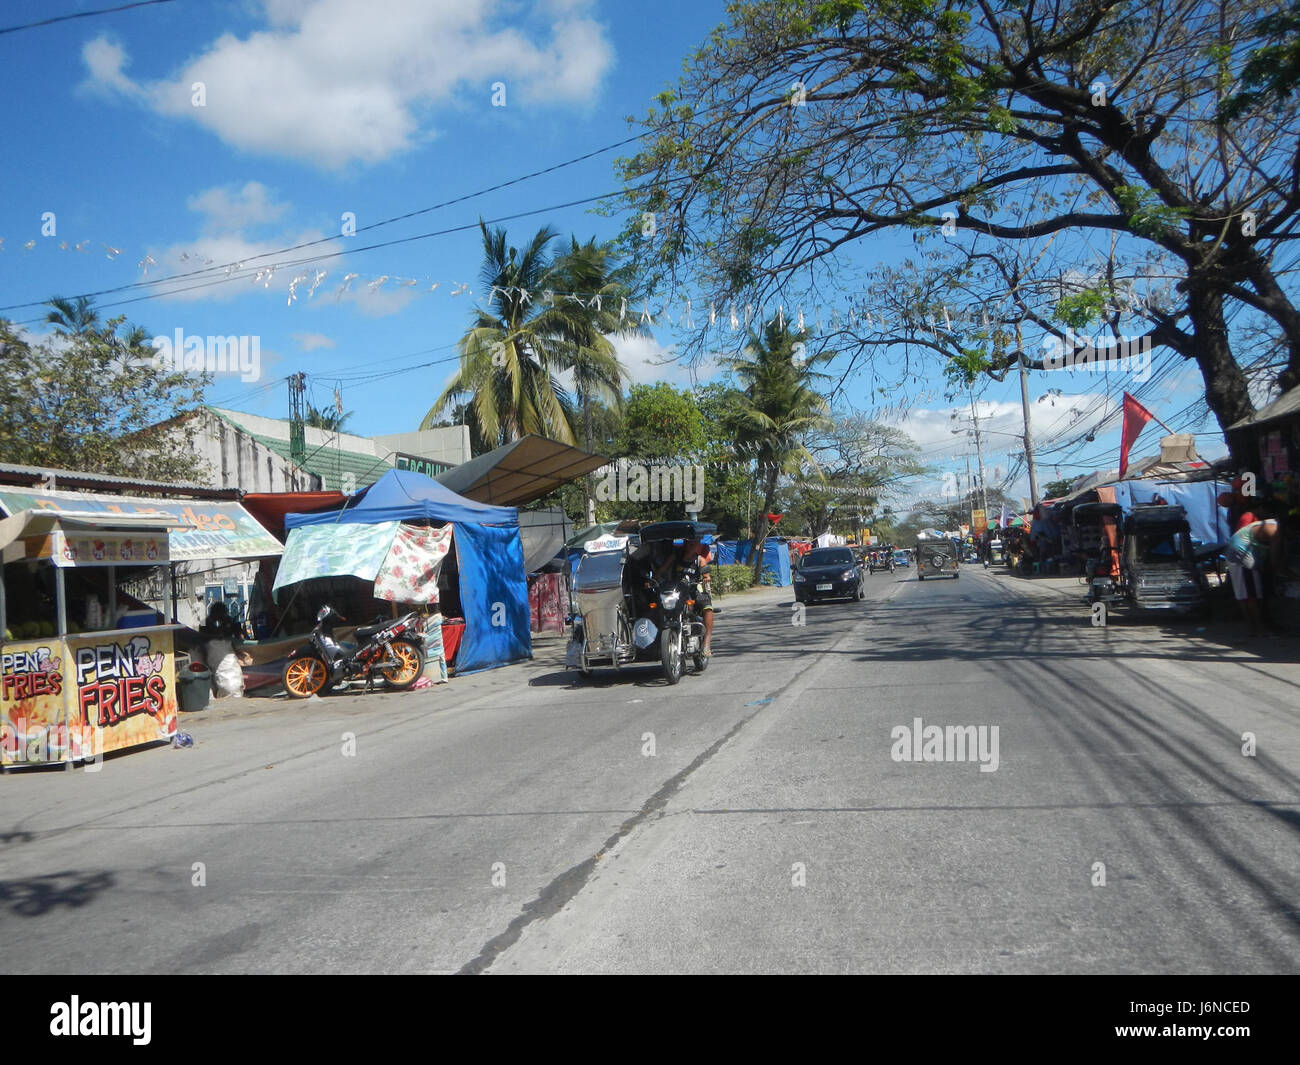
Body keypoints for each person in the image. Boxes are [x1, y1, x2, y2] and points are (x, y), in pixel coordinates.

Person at [654, 537, 714, 656]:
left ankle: (706, 643)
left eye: (694, 542)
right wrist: (653, 580)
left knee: (707, 607)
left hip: (694, 589)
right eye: (689, 542)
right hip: (676, 590)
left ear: (698, 545)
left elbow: (706, 575)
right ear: (685, 544)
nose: (691, 544)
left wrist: (706, 578)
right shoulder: (675, 557)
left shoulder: (699, 560)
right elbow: (661, 571)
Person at [1226, 517, 1283, 637]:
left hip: (1237, 553)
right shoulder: (1274, 531)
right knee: (1251, 595)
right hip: (1241, 555)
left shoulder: (1270, 524)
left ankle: (1254, 628)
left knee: (1245, 594)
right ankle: (1258, 629)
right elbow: (1274, 561)